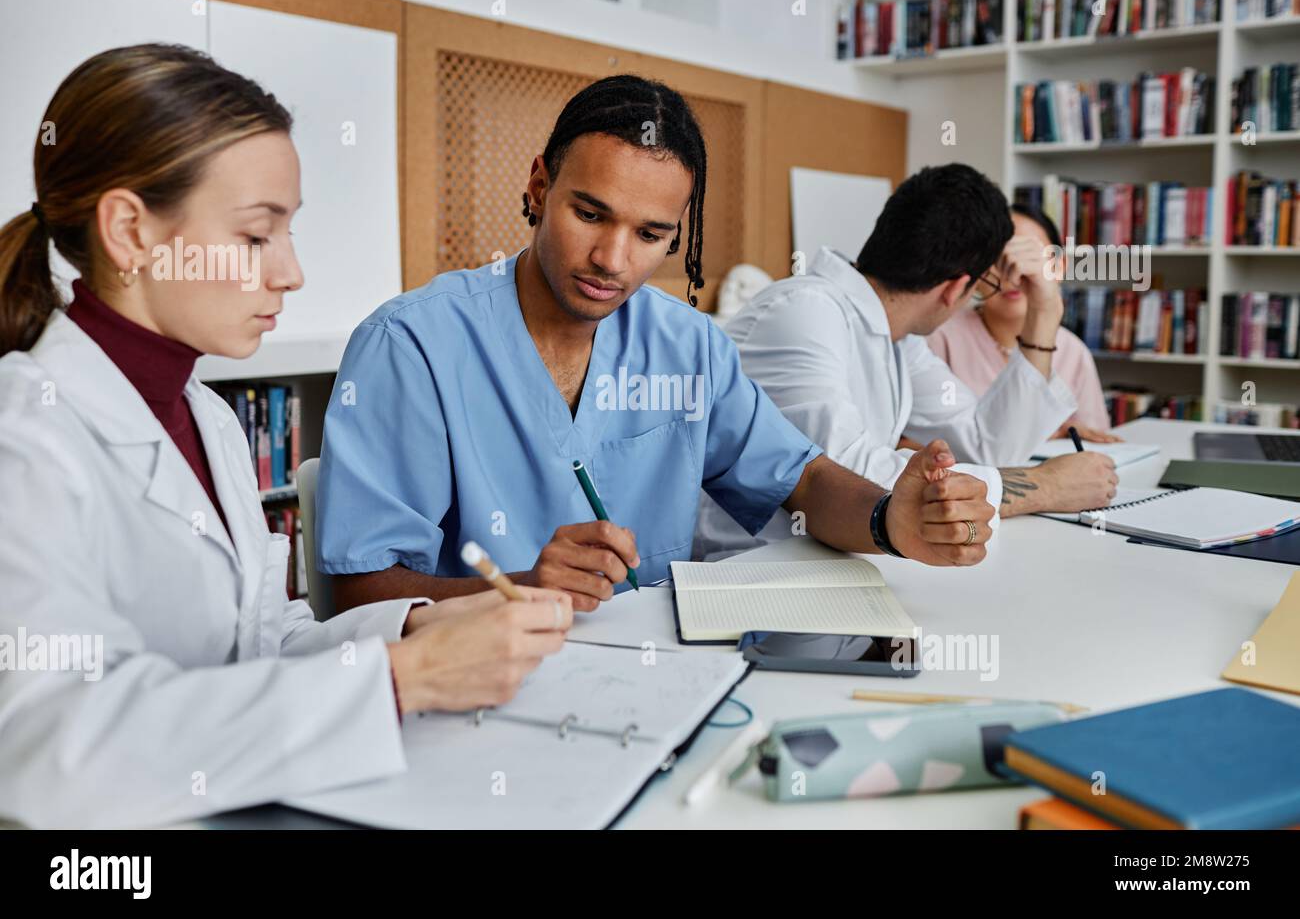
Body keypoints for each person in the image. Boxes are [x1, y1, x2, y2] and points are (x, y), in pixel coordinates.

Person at [0, 44, 572, 829]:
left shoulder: (205, 418)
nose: (291, 272)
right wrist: (403, 681)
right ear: (130, 231)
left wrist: (413, 627)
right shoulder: (25, 440)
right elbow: (54, 753)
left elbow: (256, 647)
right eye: (256, 237)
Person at [317, 76, 996, 615]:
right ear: (538, 187)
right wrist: (522, 587)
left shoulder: (688, 347)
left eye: (650, 234)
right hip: (477, 685)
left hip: (653, 682)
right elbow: (357, 593)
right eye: (590, 214)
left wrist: (887, 521)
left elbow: (803, 479)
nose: (612, 259)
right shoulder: (412, 346)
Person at [695, 163, 1118, 560]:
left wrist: (1044, 314)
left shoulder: (898, 338)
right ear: (956, 290)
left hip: (827, 568)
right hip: (746, 573)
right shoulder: (804, 311)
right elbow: (847, 482)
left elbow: (987, 445)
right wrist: (1042, 487)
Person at [928, 204, 1119, 442]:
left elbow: (1097, 441)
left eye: (1030, 256)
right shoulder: (938, 339)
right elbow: (908, 442)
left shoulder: (1074, 352)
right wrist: (1051, 434)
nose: (1014, 273)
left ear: (1059, 267)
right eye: (999, 258)